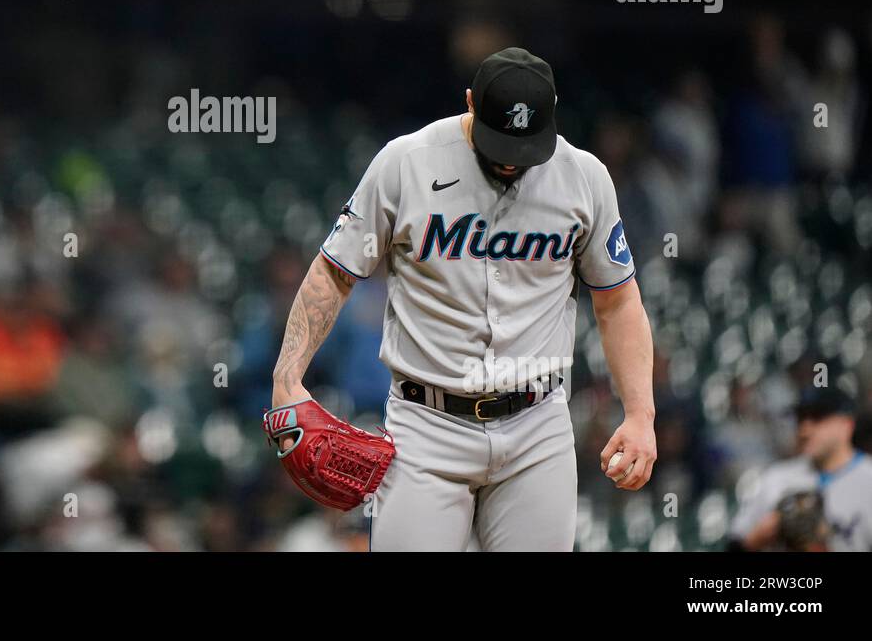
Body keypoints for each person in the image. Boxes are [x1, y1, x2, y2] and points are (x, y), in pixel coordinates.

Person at [270, 47, 657, 551]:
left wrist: (640, 414)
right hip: (425, 426)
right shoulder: (405, 163)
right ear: (469, 103)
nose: (511, 162)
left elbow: (619, 301)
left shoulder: (583, 178)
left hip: (536, 427)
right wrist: (286, 378)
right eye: (499, 143)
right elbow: (334, 271)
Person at [728, 387, 872, 552]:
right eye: (800, 418)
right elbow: (734, 545)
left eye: (818, 418)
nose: (805, 429)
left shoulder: (869, 479)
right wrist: (755, 541)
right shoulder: (776, 478)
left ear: (847, 424)